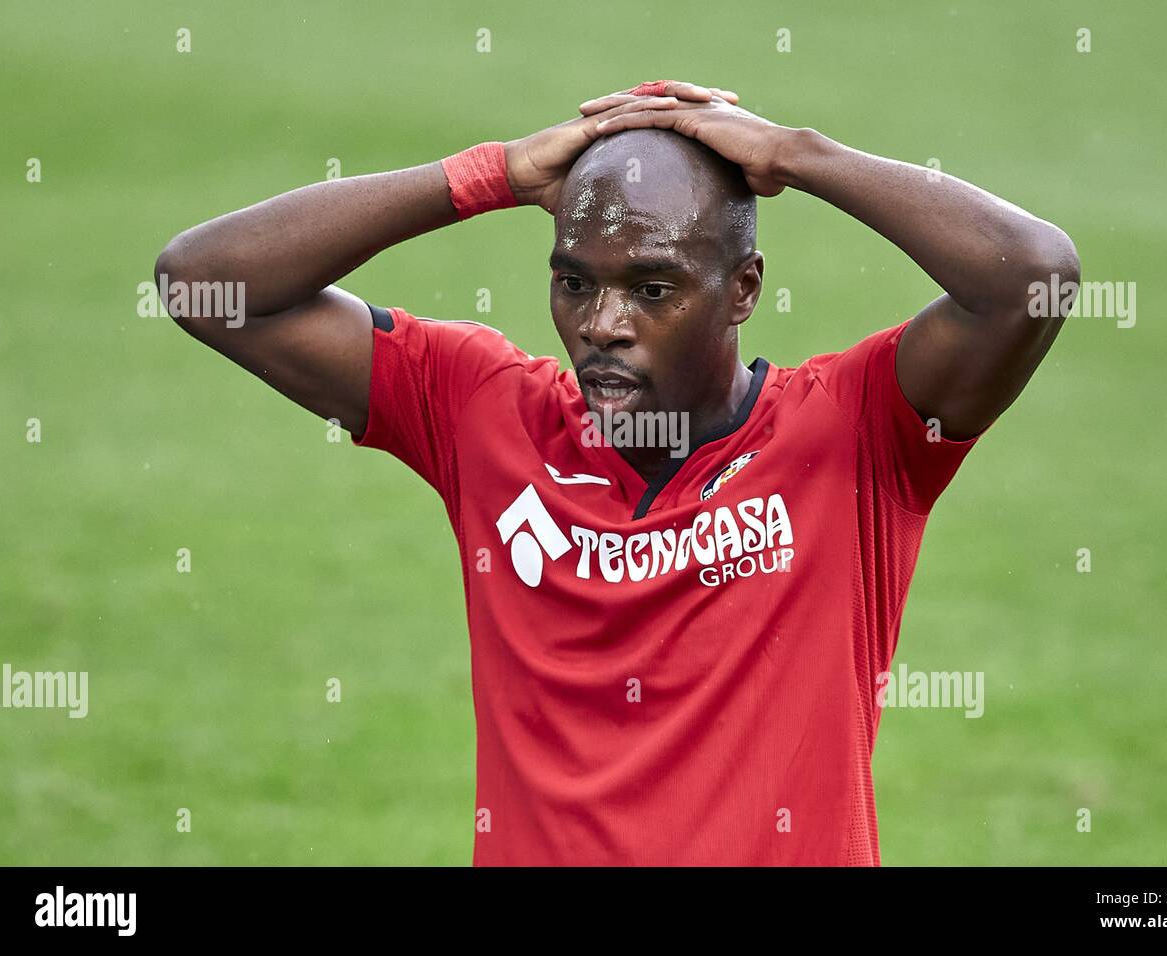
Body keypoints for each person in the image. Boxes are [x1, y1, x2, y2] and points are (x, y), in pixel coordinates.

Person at [156, 79, 1079, 865]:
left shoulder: (854, 432)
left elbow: (1031, 276)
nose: (602, 322)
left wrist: (794, 154)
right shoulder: (484, 410)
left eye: (651, 288)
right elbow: (204, 279)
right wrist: (492, 174)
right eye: (574, 282)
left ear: (744, 290)